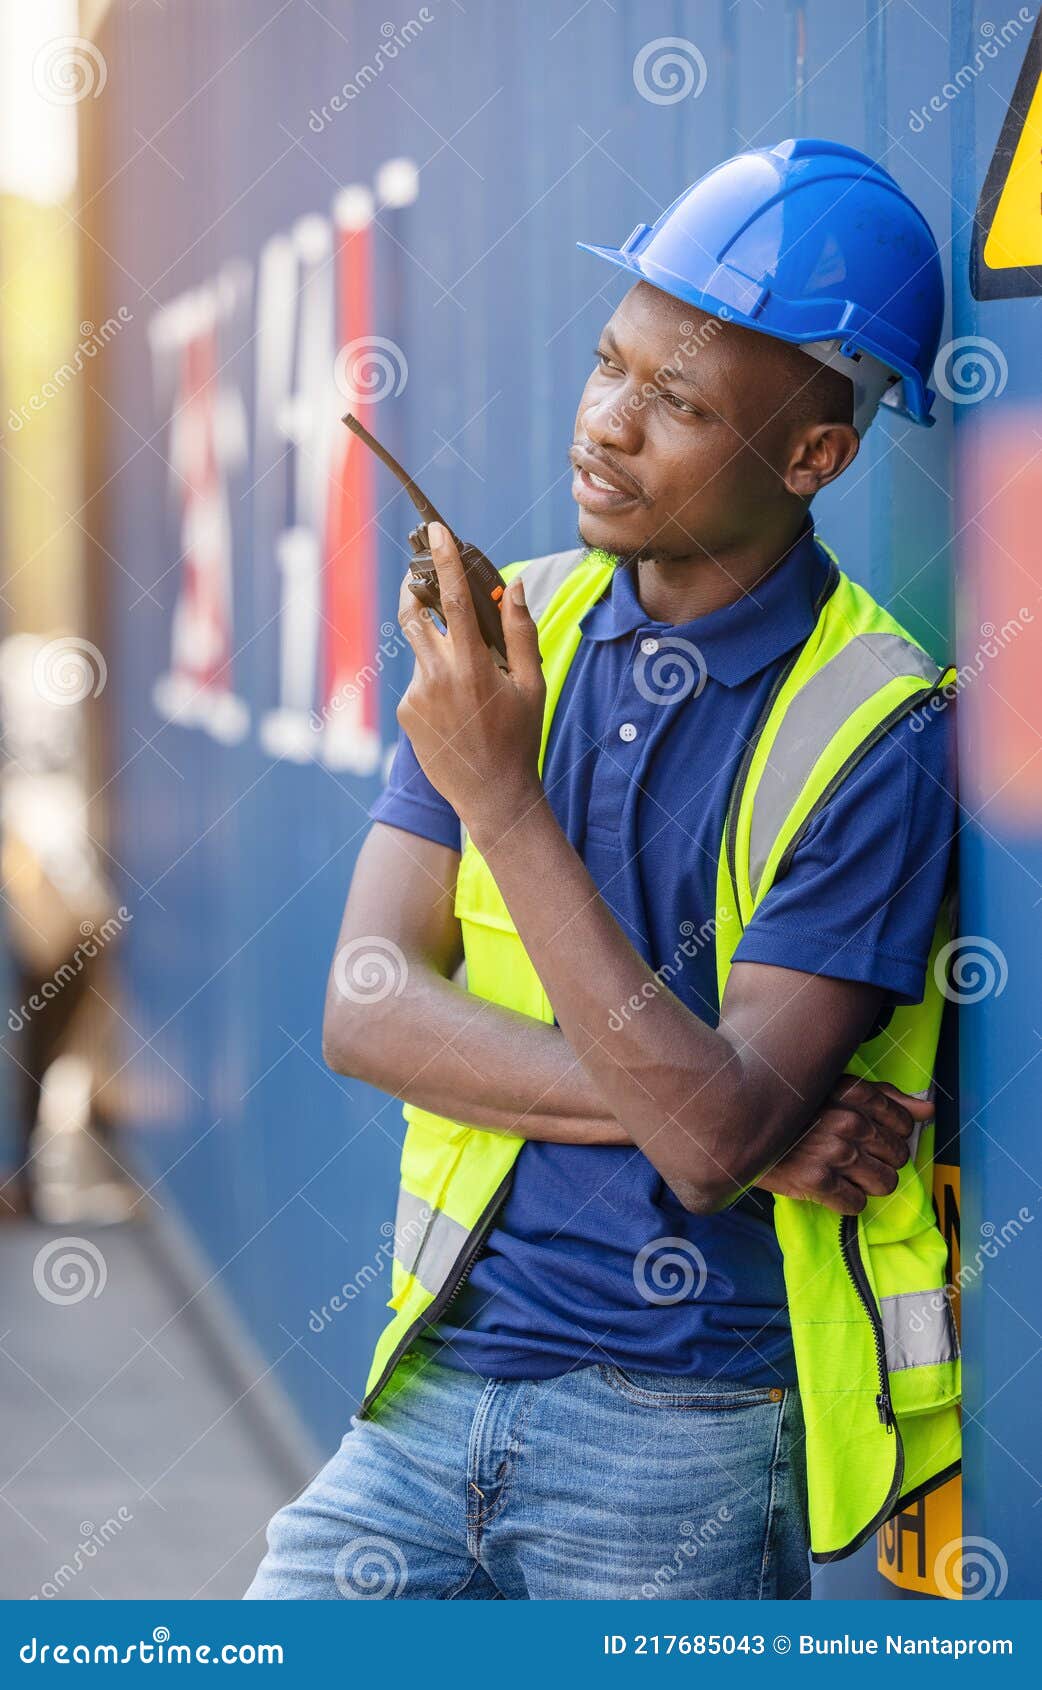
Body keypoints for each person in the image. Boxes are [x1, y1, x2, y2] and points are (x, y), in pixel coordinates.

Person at [246, 138, 960, 1601]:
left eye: (679, 401)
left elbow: (706, 1147)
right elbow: (365, 1005)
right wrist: (737, 1114)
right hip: (432, 1379)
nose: (606, 426)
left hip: (679, 1431)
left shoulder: (877, 730)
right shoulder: (521, 633)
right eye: (606, 364)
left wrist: (500, 800)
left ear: (814, 456)